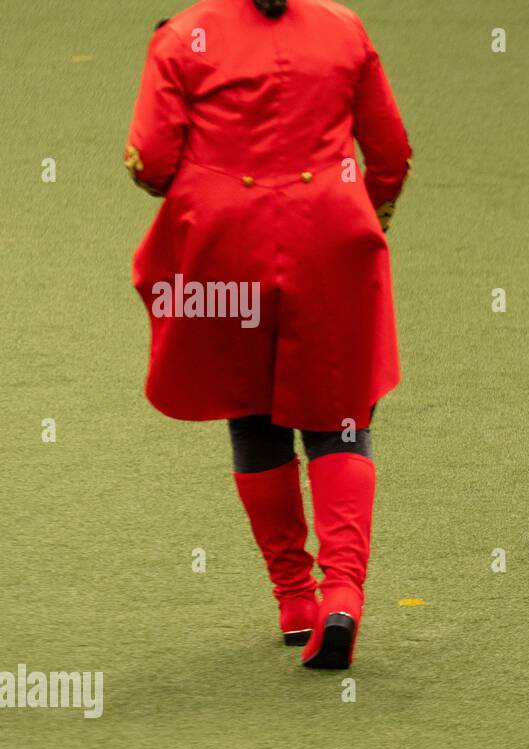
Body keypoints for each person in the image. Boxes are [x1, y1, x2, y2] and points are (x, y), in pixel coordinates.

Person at [125, 0, 412, 669]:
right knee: (340, 414)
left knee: (250, 411)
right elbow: (392, 152)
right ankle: (343, 595)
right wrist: (366, 214)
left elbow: (152, 163)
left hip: (227, 242)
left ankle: (294, 598)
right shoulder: (343, 27)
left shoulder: (181, 36)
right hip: (330, 236)